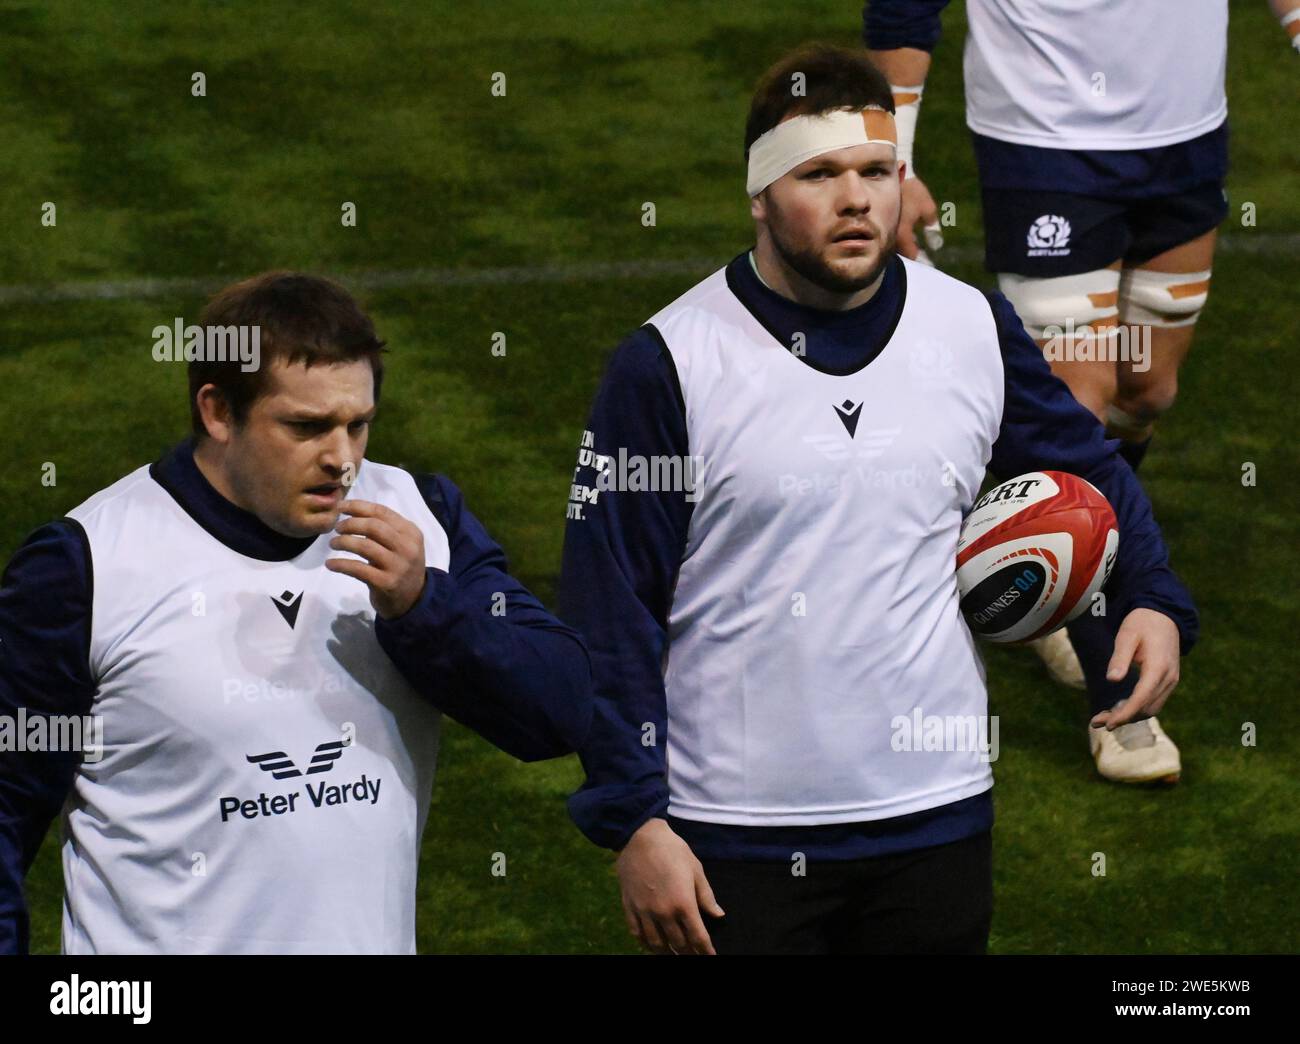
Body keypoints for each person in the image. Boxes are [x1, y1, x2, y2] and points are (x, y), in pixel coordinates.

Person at [558, 43, 1196, 955]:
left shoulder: (967, 324)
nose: (856, 198)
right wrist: (633, 821)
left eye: (876, 171)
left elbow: (1088, 464)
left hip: (936, 817)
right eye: (819, 173)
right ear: (760, 195)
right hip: (736, 837)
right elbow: (608, 605)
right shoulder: (668, 365)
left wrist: (1152, 598)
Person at [0, 272, 592, 954]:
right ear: (218, 412)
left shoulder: (418, 517)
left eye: (359, 425)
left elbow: (563, 708)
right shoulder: (88, 566)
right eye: (306, 427)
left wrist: (426, 607)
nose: (341, 461)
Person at [861, 0, 1294, 780]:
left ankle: (1039, 556)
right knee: (1077, 407)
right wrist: (895, 152)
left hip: (1186, 133)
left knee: (1147, 390)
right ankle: (1117, 692)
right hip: (1045, 137)